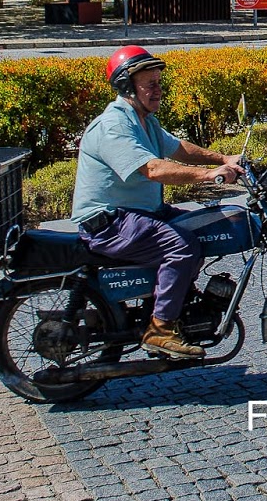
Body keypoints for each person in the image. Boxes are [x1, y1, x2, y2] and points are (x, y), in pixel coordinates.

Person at [72, 45, 243, 358]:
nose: (157, 90)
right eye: (149, 84)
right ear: (127, 87)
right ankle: (160, 329)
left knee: (201, 227)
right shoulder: (114, 126)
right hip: (110, 221)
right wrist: (209, 175)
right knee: (182, 246)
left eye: (158, 83)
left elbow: (177, 148)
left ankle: (168, 306)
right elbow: (152, 169)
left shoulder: (144, 120)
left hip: (139, 213)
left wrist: (224, 158)